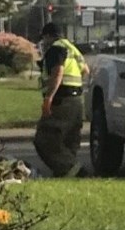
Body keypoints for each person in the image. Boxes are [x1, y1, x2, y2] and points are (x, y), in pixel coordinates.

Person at [33, 22, 87, 179]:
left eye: (44, 38)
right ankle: (66, 174)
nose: (43, 42)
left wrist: (49, 97)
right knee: (68, 139)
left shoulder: (55, 49)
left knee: (44, 139)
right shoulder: (72, 48)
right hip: (76, 100)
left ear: (48, 36)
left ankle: (74, 169)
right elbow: (85, 70)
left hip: (61, 100)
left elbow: (58, 72)